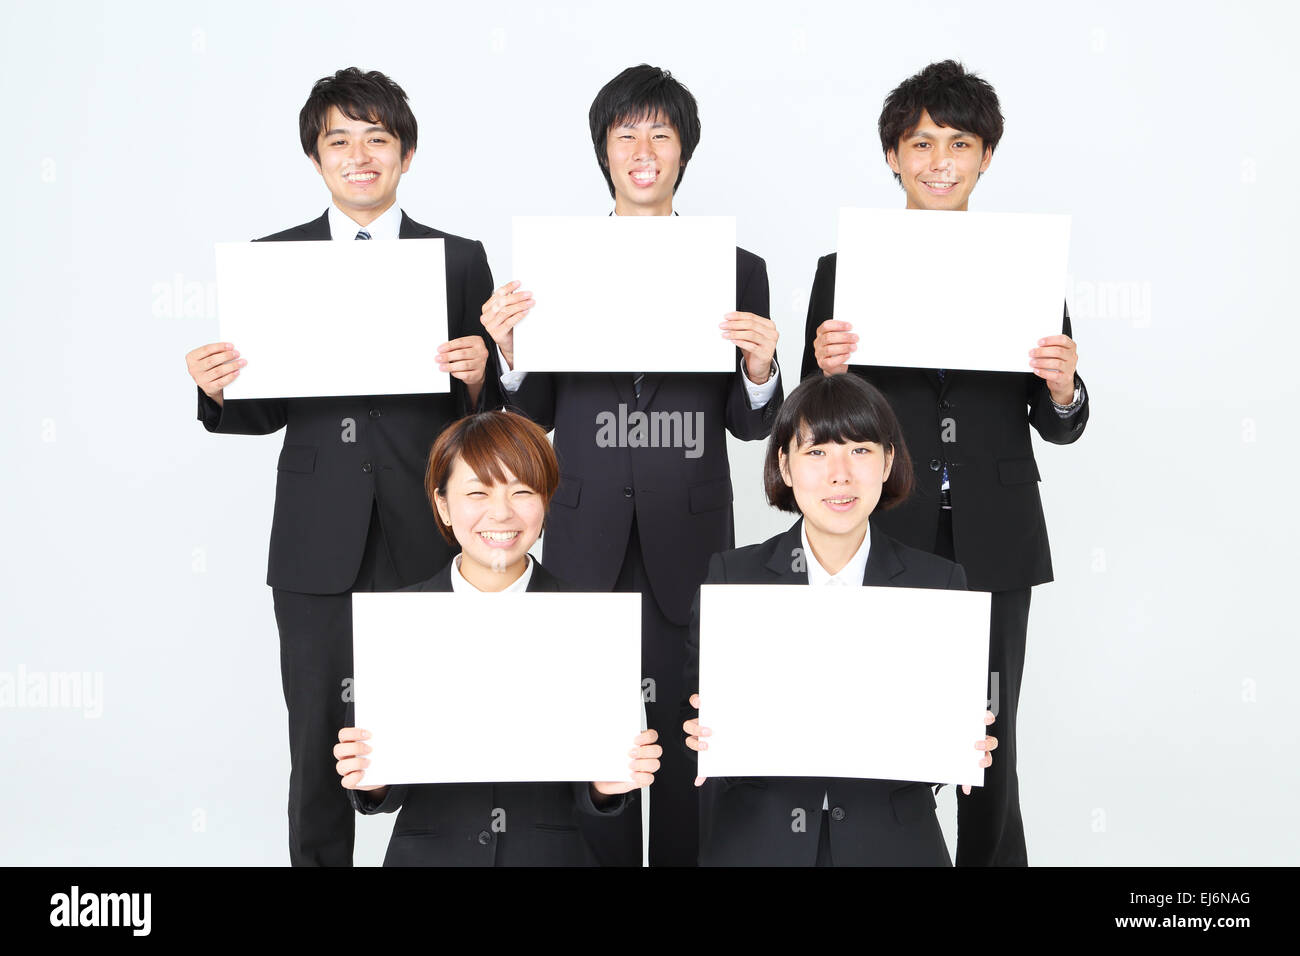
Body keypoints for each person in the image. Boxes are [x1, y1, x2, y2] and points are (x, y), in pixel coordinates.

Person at [184, 67, 499, 866]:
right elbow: (260, 413)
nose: (361, 156)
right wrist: (217, 390)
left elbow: (490, 420)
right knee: (318, 741)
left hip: (428, 534)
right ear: (317, 158)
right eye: (341, 141)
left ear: (407, 153)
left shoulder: (459, 260)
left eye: (378, 140)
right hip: (315, 541)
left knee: (436, 730)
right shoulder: (274, 261)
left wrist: (477, 376)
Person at [478, 64, 783, 865]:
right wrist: (507, 353)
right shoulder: (557, 262)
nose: (644, 150)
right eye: (626, 135)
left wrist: (760, 371)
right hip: (586, 536)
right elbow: (532, 410)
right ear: (603, 152)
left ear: (684, 151)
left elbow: (752, 427)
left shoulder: (738, 266)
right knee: (598, 750)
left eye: (661, 134)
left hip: (691, 533)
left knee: (688, 744)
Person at [800, 60, 1089, 866]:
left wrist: (1064, 387)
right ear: (892, 155)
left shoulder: (1027, 265)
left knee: (989, 741)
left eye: (959, 143)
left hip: (996, 535)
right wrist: (825, 373)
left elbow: (1057, 423)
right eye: (921, 143)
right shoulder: (841, 271)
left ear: (986, 157)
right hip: (887, 528)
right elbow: (806, 423)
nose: (939, 161)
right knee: (885, 727)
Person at [681, 374, 996, 866]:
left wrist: (963, 739)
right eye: (817, 452)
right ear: (784, 465)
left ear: (888, 461)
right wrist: (698, 729)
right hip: (757, 843)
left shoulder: (937, 583)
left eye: (861, 450)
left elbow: (939, 735)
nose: (840, 475)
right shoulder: (733, 578)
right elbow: (690, 706)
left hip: (894, 845)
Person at [334, 411, 658, 865]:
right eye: (477, 492)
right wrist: (370, 779)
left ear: (546, 502)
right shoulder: (399, 622)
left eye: (522, 491)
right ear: (443, 504)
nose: (501, 513)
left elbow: (597, 789)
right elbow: (384, 793)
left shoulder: (590, 622)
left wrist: (607, 787)